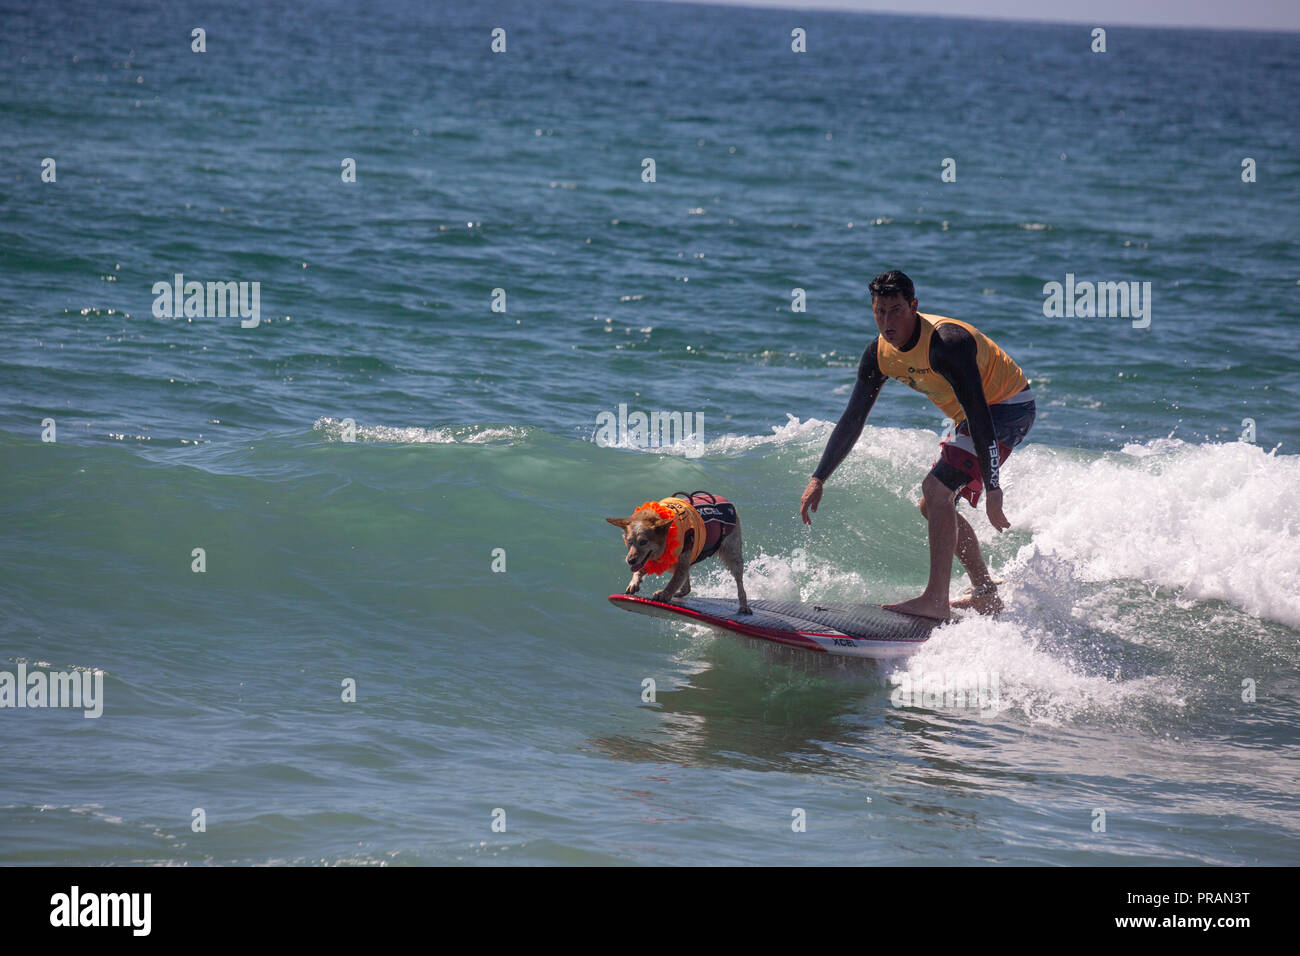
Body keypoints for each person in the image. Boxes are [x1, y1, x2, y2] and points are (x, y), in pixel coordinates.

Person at [799, 270, 1036, 619]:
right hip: (972, 417)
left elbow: (981, 416)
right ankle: (985, 592)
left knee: (937, 491)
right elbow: (853, 418)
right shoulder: (879, 354)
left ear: (914, 307)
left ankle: (935, 601)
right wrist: (819, 478)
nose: (886, 321)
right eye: (879, 311)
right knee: (932, 504)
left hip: (1007, 407)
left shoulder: (947, 344)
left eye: (895, 310)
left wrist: (994, 487)